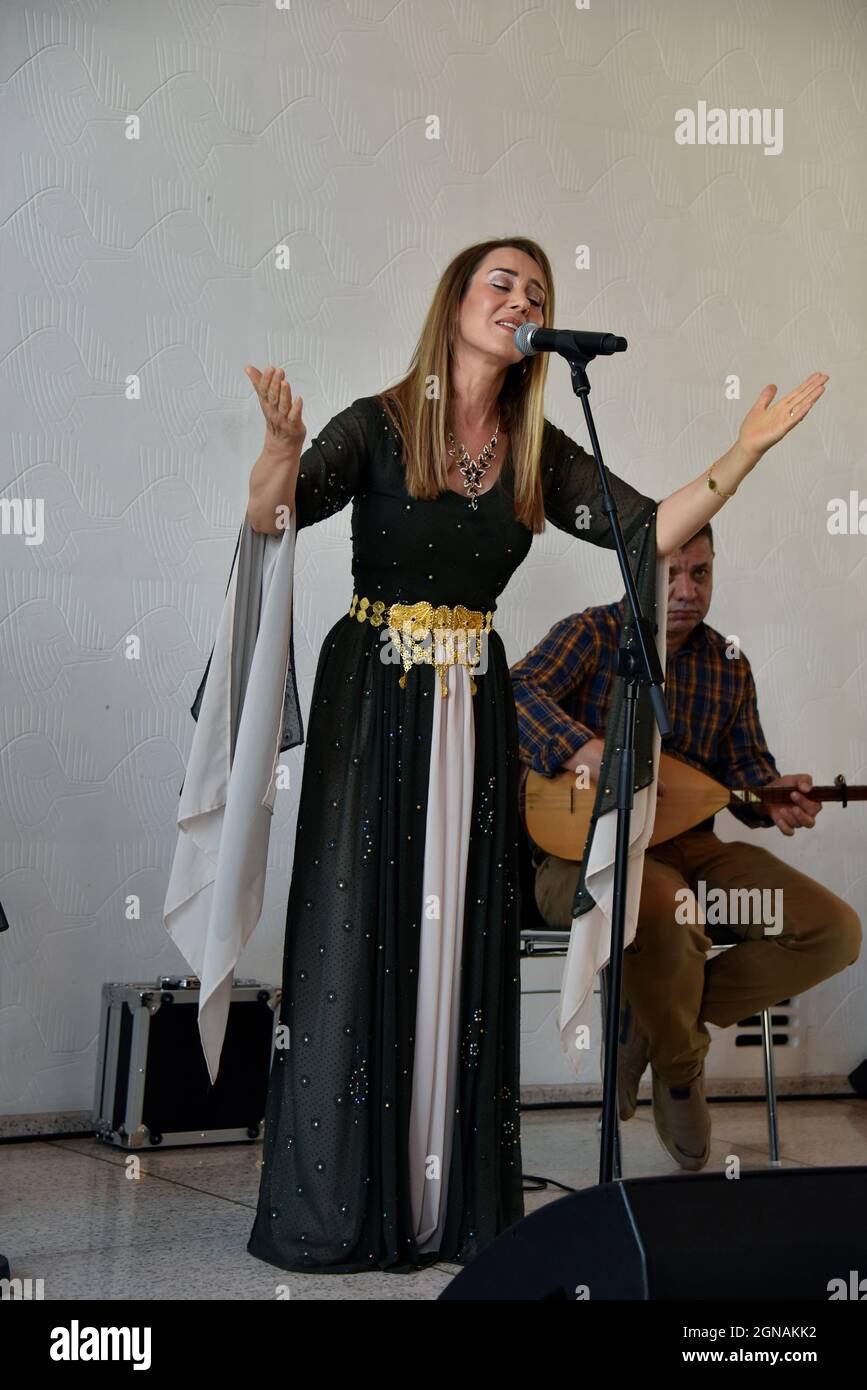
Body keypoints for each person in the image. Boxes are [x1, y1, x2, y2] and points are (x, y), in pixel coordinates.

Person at [169, 235, 828, 1273]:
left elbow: (649, 531)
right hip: (373, 692)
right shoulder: (378, 423)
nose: (520, 296)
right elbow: (276, 517)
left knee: (454, 937)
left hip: (471, 696)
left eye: (536, 287)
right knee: (358, 923)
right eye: (501, 281)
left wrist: (743, 453)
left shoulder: (535, 450)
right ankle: (345, 1196)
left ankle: (443, 1196)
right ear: (456, 303)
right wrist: (278, 456)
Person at [511, 523, 861, 1171]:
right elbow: (512, 692)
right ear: (636, 573)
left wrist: (773, 794)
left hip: (692, 846)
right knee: (669, 911)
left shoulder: (727, 662)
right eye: (670, 574)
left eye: (699, 573)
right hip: (584, 856)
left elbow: (742, 777)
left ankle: (648, 1024)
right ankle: (678, 1072)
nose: (684, 590)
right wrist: (584, 750)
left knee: (831, 932)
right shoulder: (590, 635)